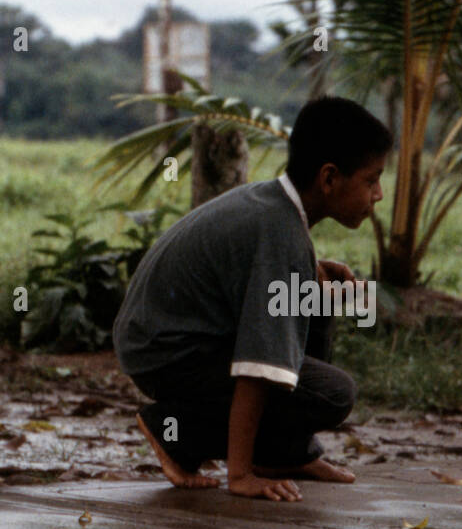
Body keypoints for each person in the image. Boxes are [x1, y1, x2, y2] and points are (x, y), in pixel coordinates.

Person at [112, 96, 392, 500]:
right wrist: (240, 476)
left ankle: (287, 453)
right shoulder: (280, 231)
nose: (378, 193)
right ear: (329, 179)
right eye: (371, 180)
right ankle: (176, 431)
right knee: (335, 394)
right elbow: (258, 366)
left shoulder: (275, 206)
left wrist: (308, 270)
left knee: (315, 298)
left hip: (167, 333)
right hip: (165, 350)